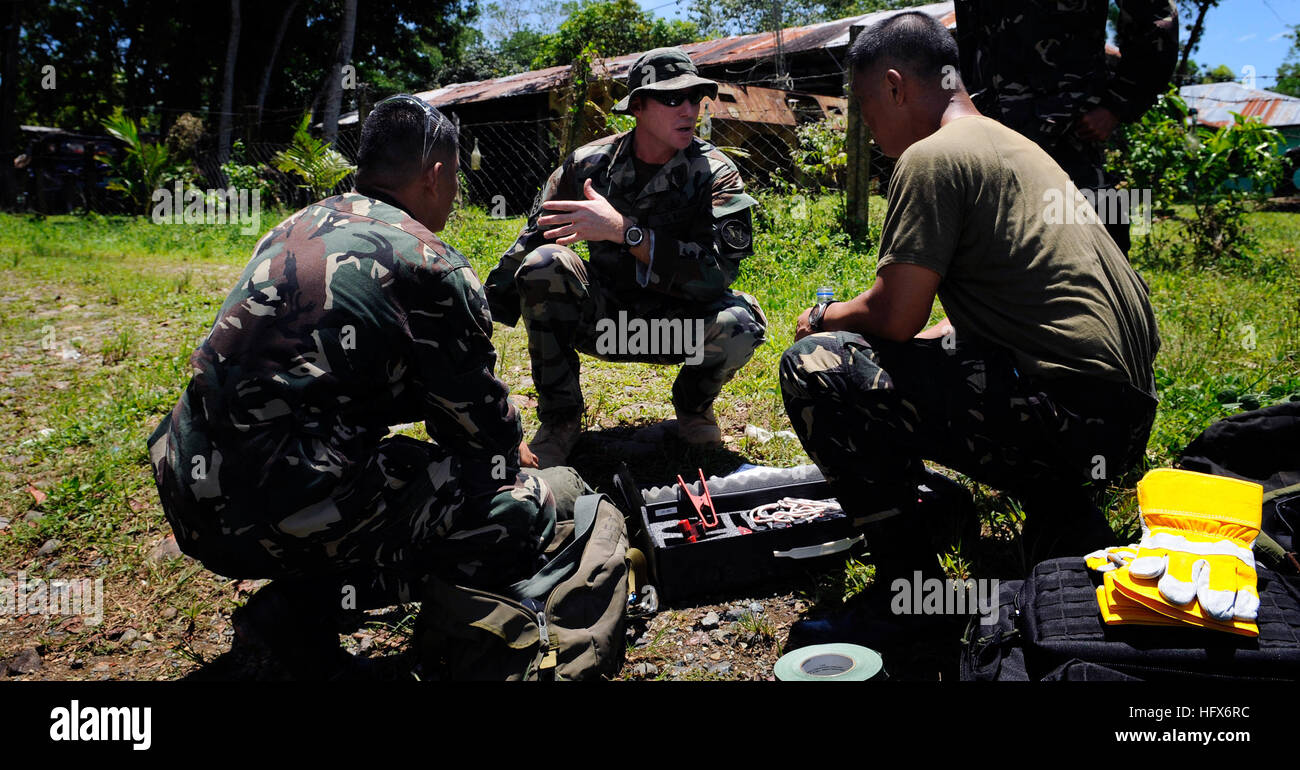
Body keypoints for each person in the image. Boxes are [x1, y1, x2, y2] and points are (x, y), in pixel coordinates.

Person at [146, 95, 558, 678]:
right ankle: (307, 602)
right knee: (519, 506)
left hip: (193, 498)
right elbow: (484, 441)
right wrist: (503, 435)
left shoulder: (295, 225)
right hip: (266, 517)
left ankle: (309, 576)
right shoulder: (432, 262)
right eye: (457, 179)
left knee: (389, 456)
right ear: (436, 175)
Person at [780, 12, 1161, 602]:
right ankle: (1060, 510)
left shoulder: (933, 155)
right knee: (939, 356)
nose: (866, 122)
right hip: (1119, 422)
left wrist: (824, 316)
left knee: (817, 365)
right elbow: (999, 308)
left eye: (863, 102)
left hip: (1070, 421)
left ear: (894, 85)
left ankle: (908, 584)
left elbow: (894, 316)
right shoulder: (1017, 147)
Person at [484, 47, 767, 467]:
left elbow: (715, 275)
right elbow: (528, 244)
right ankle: (560, 421)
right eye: (672, 98)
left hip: (677, 330)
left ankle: (693, 407)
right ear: (637, 106)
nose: (688, 109)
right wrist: (471, 323)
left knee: (741, 322)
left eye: (695, 97)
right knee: (545, 263)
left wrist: (623, 231)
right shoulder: (587, 166)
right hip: (606, 326)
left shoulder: (714, 171)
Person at [953, 0, 1179, 254]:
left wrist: (1118, 103)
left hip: (1069, 131)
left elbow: (1156, 18)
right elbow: (969, 42)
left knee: (1096, 253)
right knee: (999, 252)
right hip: (990, 131)